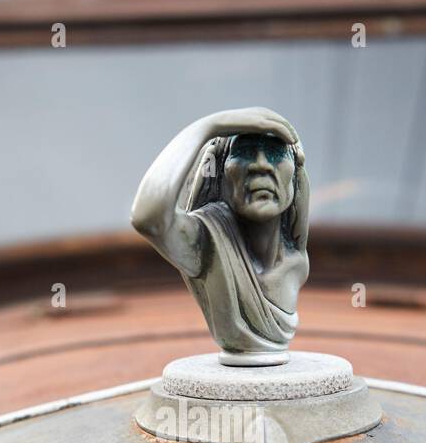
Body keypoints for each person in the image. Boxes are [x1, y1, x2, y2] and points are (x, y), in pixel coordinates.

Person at [130, 107, 310, 365]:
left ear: (295, 177)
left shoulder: (297, 263)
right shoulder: (206, 240)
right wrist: (208, 127)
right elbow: (148, 218)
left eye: (275, 153)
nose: (260, 164)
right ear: (221, 177)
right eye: (244, 154)